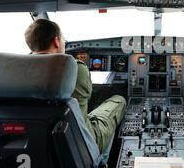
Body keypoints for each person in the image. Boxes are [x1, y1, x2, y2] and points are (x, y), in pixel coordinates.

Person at [24, 19, 125, 153]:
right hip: (82, 140)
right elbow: (87, 97)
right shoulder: (73, 68)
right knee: (119, 99)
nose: (64, 43)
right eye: (63, 39)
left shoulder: (19, 71)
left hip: (37, 138)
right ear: (56, 41)